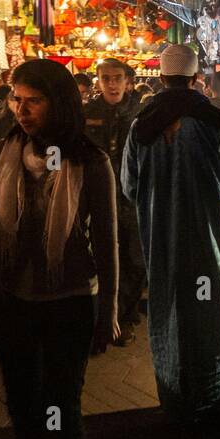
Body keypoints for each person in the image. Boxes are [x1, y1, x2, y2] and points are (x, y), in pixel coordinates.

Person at [0, 59, 119, 439]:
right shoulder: (2, 152)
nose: (21, 110)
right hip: (11, 303)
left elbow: (107, 243)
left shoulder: (90, 162)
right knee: (24, 407)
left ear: (58, 103)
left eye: (33, 100)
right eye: (15, 99)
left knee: (63, 414)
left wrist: (107, 310)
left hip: (67, 304)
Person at [121, 43, 220, 439]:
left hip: (162, 240)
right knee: (213, 312)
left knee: (171, 311)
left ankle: (177, 405)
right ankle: (215, 404)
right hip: (207, 237)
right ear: (197, 80)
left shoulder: (141, 125)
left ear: (160, 77)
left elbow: (129, 186)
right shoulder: (214, 120)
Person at [84, 58, 147, 345]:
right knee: (104, 259)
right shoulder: (87, 114)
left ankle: (125, 315)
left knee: (135, 260)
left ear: (127, 81)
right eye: (105, 78)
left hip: (131, 199)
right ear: (98, 81)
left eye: (117, 78)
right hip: (97, 201)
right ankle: (109, 319)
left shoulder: (141, 114)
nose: (111, 83)